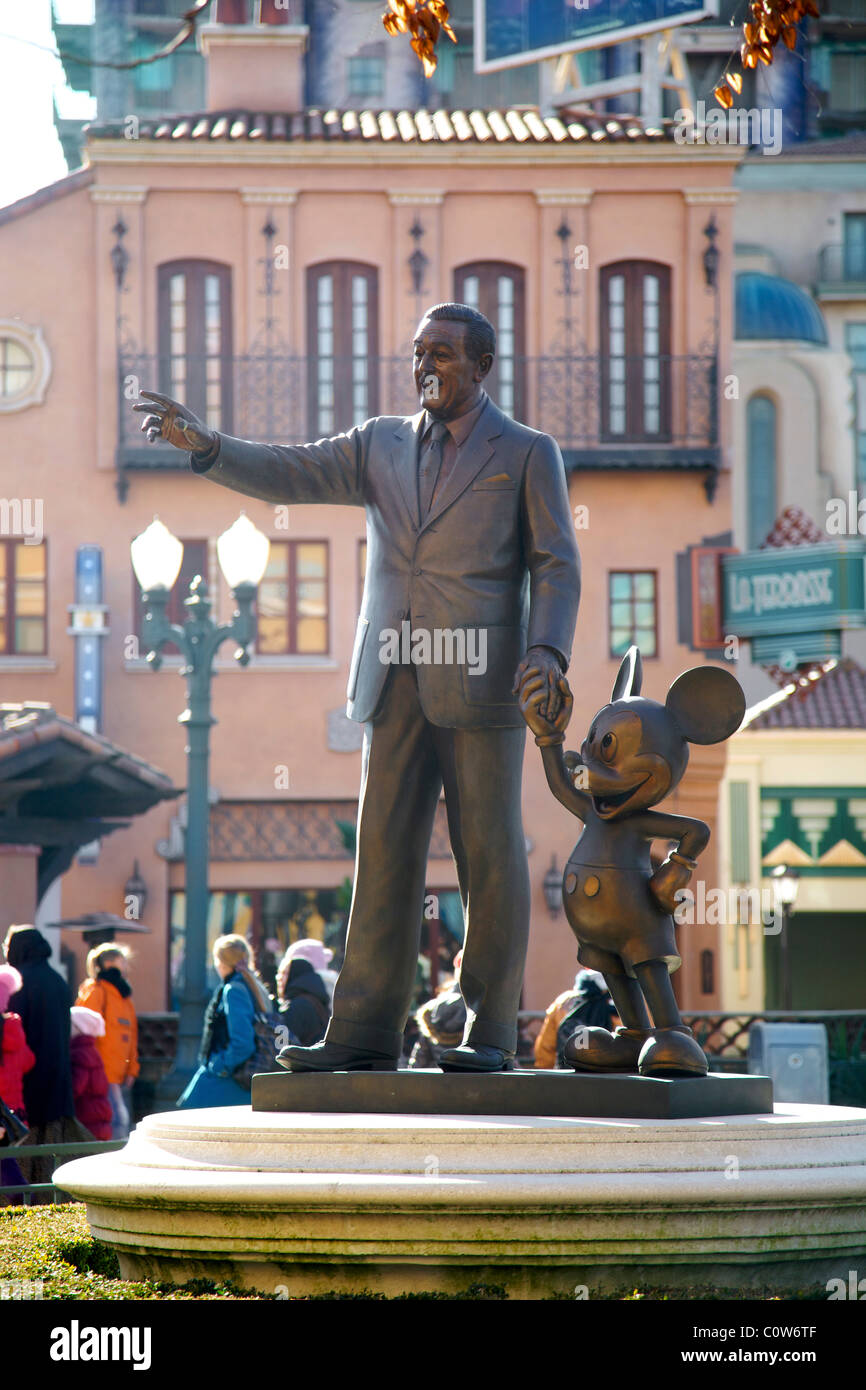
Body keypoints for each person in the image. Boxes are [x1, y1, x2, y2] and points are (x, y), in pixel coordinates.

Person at [135, 301, 580, 1074]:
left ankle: (489, 1031)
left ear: (482, 366)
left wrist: (547, 649)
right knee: (381, 850)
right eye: (417, 354)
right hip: (392, 670)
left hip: (482, 674)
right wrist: (209, 447)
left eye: (442, 354)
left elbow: (557, 564)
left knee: (490, 855)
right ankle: (365, 1030)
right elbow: (292, 469)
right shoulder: (379, 443)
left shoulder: (528, 452)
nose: (425, 368)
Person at [3, 926, 84, 1198]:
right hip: (57, 1078)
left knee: (24, 1155)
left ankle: (29, 1205)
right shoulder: (57, 980)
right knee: (51, 1152)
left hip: (25, 1082)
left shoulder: (20, 982)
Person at [178, 935, 272, 1109]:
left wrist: (219, 1066)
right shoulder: (255, 986)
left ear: (220, 962)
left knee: (187, 1119)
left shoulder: (233, 990)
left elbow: (243, 1043)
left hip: (228, 1079)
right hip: (247, 1077)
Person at [75, 944, 139, 1141]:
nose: (126, 965)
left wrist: (132, 1069)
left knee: (118, 1120)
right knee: (116, 1120)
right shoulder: (97, 991)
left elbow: (131, 1034)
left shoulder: (123, 994)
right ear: (110, 962)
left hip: (117, 1072)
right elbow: (83, 1029)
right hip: (102, 1070)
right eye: (122, 961)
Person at [533, 969, 617, 1071]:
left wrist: (546, 1074)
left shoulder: (564, 1002)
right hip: (608, 1078)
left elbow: (545, 1048)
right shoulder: (619, 1006)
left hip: (568, 1077)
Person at [0, 963, 35, 1201]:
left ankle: (21, 1202)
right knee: (7, 1161)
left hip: (1, 1109)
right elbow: (29, 1062)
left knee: (6, 1164)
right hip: (14, 1108)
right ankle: (22, 1202)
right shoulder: (15, 1029)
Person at [408, 950, 467, 1069]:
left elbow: (418, 1063)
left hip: (439, 1081)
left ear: (457, 961)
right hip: (475, 1083)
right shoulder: (483, 1010)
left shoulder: (432, 1010)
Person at [69, 1006, 113, 1142]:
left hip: (87, 1123)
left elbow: (75, 1088)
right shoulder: (91, 1051)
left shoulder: (79, 1054)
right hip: (97, 1120)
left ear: (78, 1028)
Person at [276, 939, 332, 1047]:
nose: (279, 979)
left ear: (293, 975)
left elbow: (280, 1047)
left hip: (301, 1063)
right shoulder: (317, 1000)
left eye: (284, 974)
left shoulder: (296, 1007)